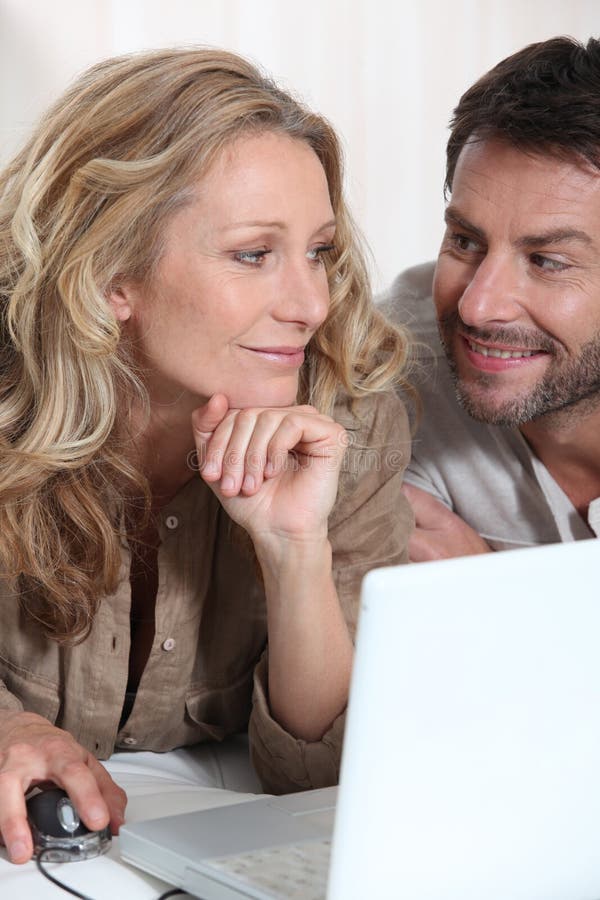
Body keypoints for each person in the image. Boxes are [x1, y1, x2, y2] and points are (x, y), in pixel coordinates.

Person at [0, 47, 414, 864]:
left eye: (319, 251)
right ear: (113, 274)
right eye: (253, 254)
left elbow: (329, 779)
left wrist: (295, 549)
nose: (310, 304)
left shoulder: (349, 419)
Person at [382, 35, 600, 561]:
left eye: (546, 261)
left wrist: (491, 600)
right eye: (465, 241)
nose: (476, 308)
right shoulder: (383, 369)